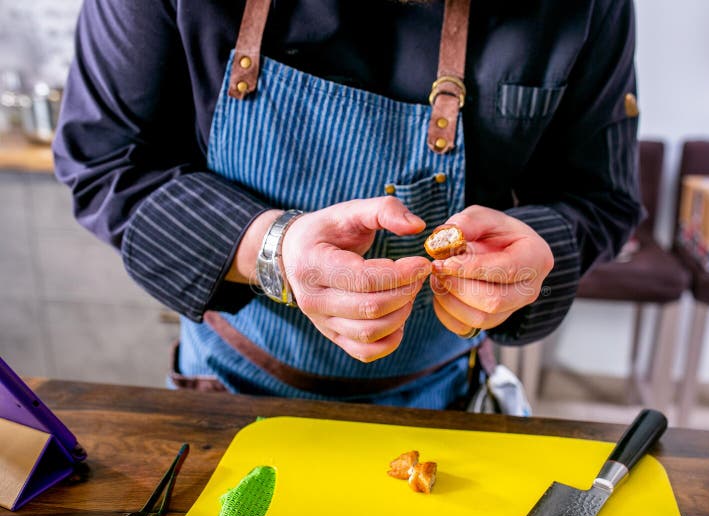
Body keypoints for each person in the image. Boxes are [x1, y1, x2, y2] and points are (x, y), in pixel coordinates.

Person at [53, 0, 642, 409]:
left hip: (444, 403)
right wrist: (272, 249)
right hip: (227, 394)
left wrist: (538, 254)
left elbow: (602, 199)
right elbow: (106, 162)